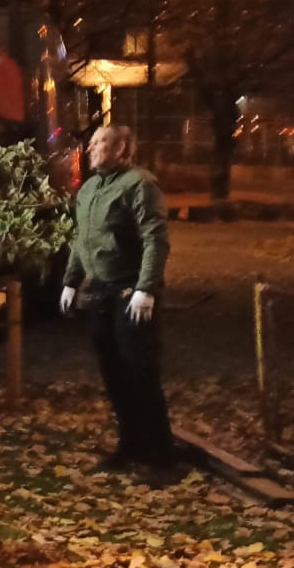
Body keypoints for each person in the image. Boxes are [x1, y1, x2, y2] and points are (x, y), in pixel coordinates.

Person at [59, 125, 175, 473]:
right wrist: (70, 281)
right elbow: (81, 239)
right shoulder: (89, 189)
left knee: (140, 371)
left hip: (129, 292)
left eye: (100, 143)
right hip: (100, 292)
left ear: (122, 148)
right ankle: (130, 445)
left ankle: (160, 456)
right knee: (113, 372)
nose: (90, 148)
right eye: (92, 143)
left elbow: (155, 239)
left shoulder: (140, 184)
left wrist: (145, 288)